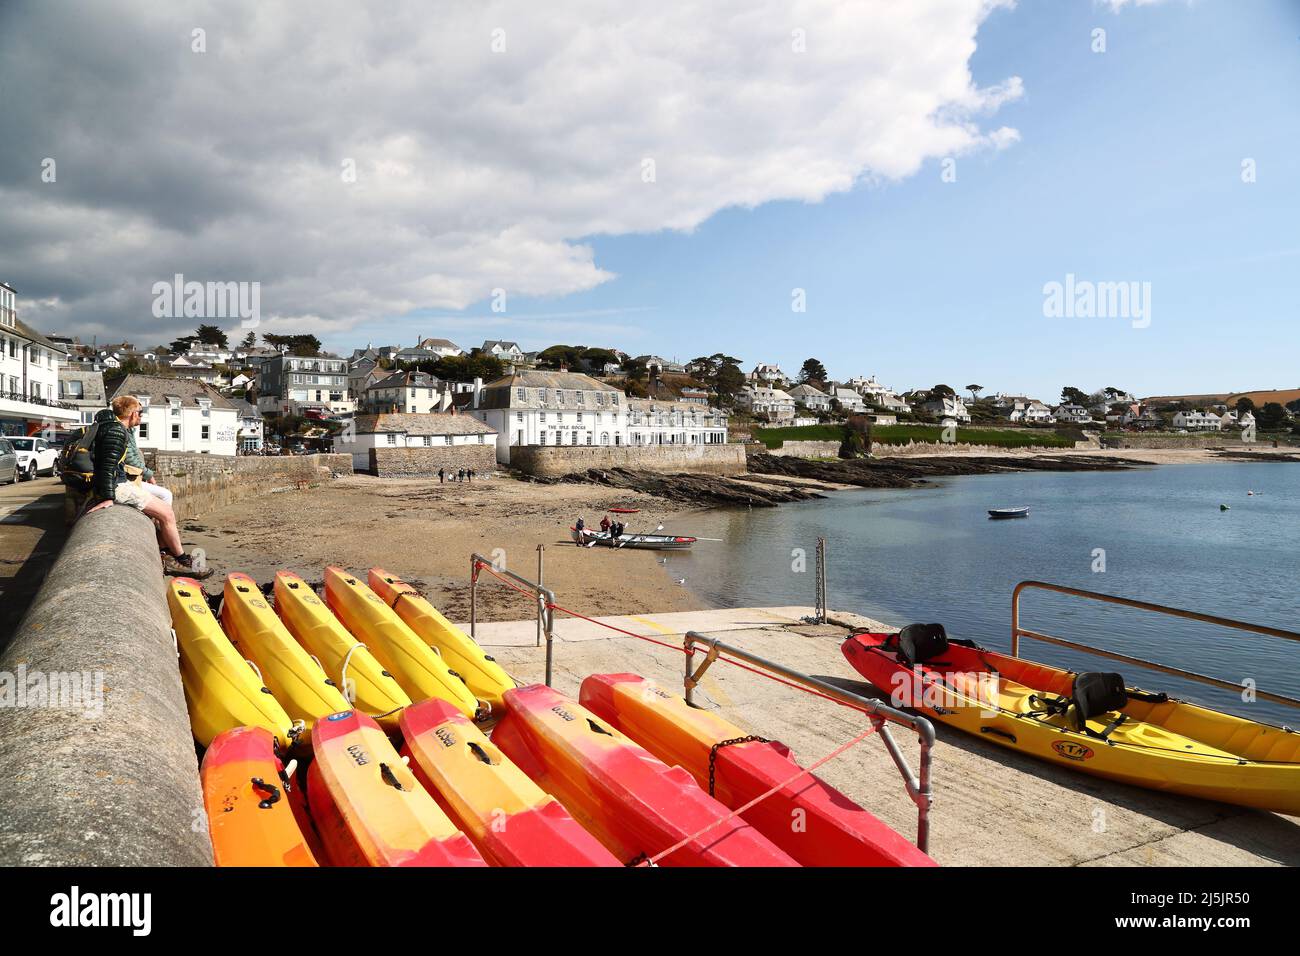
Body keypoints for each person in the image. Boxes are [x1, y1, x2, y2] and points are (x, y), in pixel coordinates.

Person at [83, 396, 211, 578]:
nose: (141, 418)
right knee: (167, 513)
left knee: (165, 506)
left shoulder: (110, 426)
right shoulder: (116, 431)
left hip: (117, 483)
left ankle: (168, 553)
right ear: (133, 413)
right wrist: (108, 498)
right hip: (118, 486)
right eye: (140, 414)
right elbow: (106, 466)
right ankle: (181, 561)